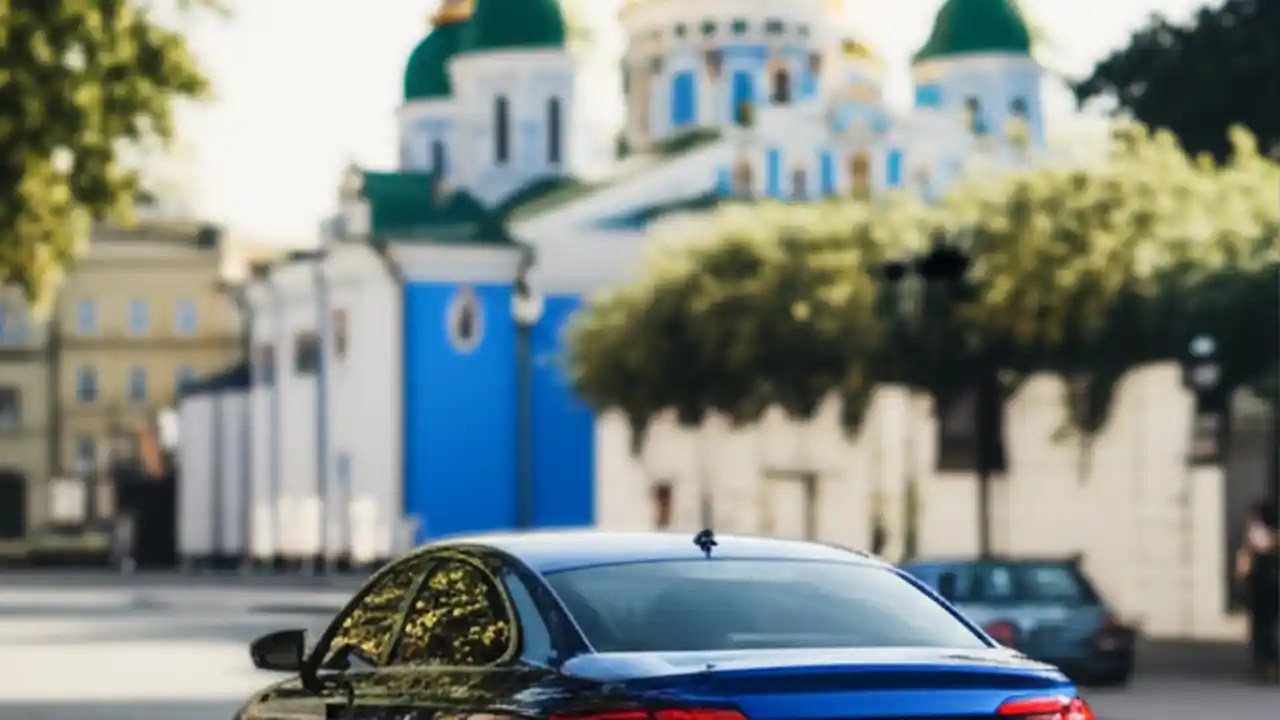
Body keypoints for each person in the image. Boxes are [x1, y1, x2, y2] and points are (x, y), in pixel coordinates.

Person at [1235, 500, 1279, 683]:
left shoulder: (1257, 533)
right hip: (1270, 585)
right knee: (1267, 626)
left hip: (1262, 586)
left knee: (1262, 626)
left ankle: (1267, 664)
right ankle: (1268, 664)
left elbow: (1246, 560)